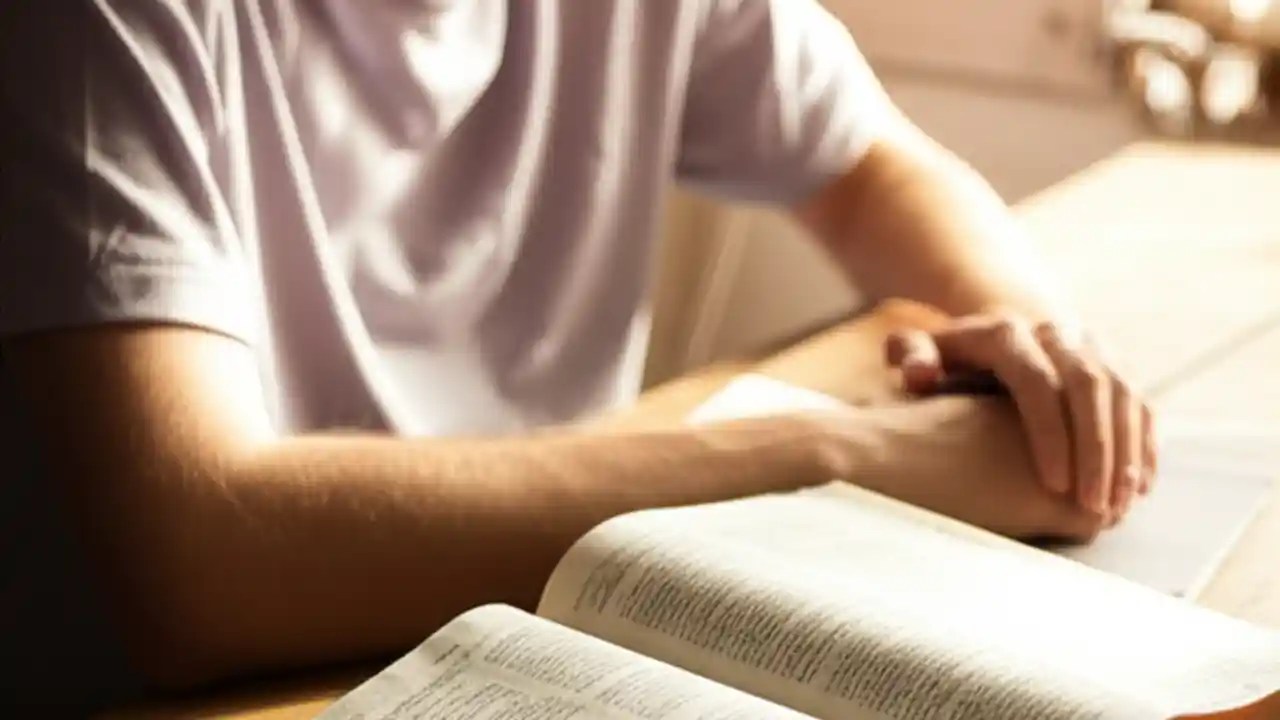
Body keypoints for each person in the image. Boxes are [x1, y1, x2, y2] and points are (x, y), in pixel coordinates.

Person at [0, 0, 1156, 711]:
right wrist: (849, 462)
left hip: (533, 632)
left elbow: (872, 167)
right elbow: (198, 569)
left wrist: (1026, 348)